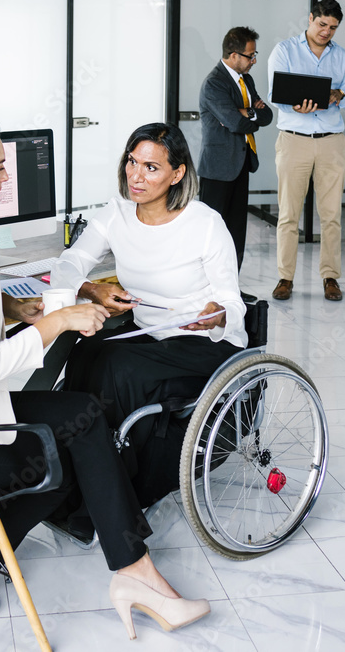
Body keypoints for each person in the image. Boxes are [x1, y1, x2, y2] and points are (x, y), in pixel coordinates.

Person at [0, 113, 210, 640]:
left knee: (77, 421)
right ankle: (131, 575)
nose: (6, 180)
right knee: (66, 446)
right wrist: (56, 320)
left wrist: (10, 306)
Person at [52, 122, 246, 511]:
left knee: (118, 366)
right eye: (131, 162)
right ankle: (76, 471)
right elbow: (68, 264)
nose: (136, 176)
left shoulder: (205, 224)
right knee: (85, 353)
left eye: (151, 167)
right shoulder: (116, 214)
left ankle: (117, 486)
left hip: (200, 342)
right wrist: (92, 289)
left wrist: (216, 315)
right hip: (148, 334)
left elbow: (233, 304)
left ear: (178, 174)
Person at [265, 0, 345, 302]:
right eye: (322, 24)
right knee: (288, 214)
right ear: (310, 18)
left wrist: (339, 95)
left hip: (332, 141)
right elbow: (273, 94)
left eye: (332, 27)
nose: (326, 32)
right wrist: (291, 104)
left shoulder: (341, 56)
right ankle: (285, 277)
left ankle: (330, 277)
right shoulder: (285, 51)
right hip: (294, 139)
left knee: (331, 215)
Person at [198, 26, 271, 297]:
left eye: (254, 55)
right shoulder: (215, 83)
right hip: (217, 170)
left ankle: (229, 290)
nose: (254, 60)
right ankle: (205, 291)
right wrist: (245, 115)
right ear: (232, 54)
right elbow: (236, 123)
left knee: (236, 232)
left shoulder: (246, 81)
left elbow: (266, 117)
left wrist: (245, 111)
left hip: (241, 165)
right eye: (250, 56)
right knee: (212, 234)